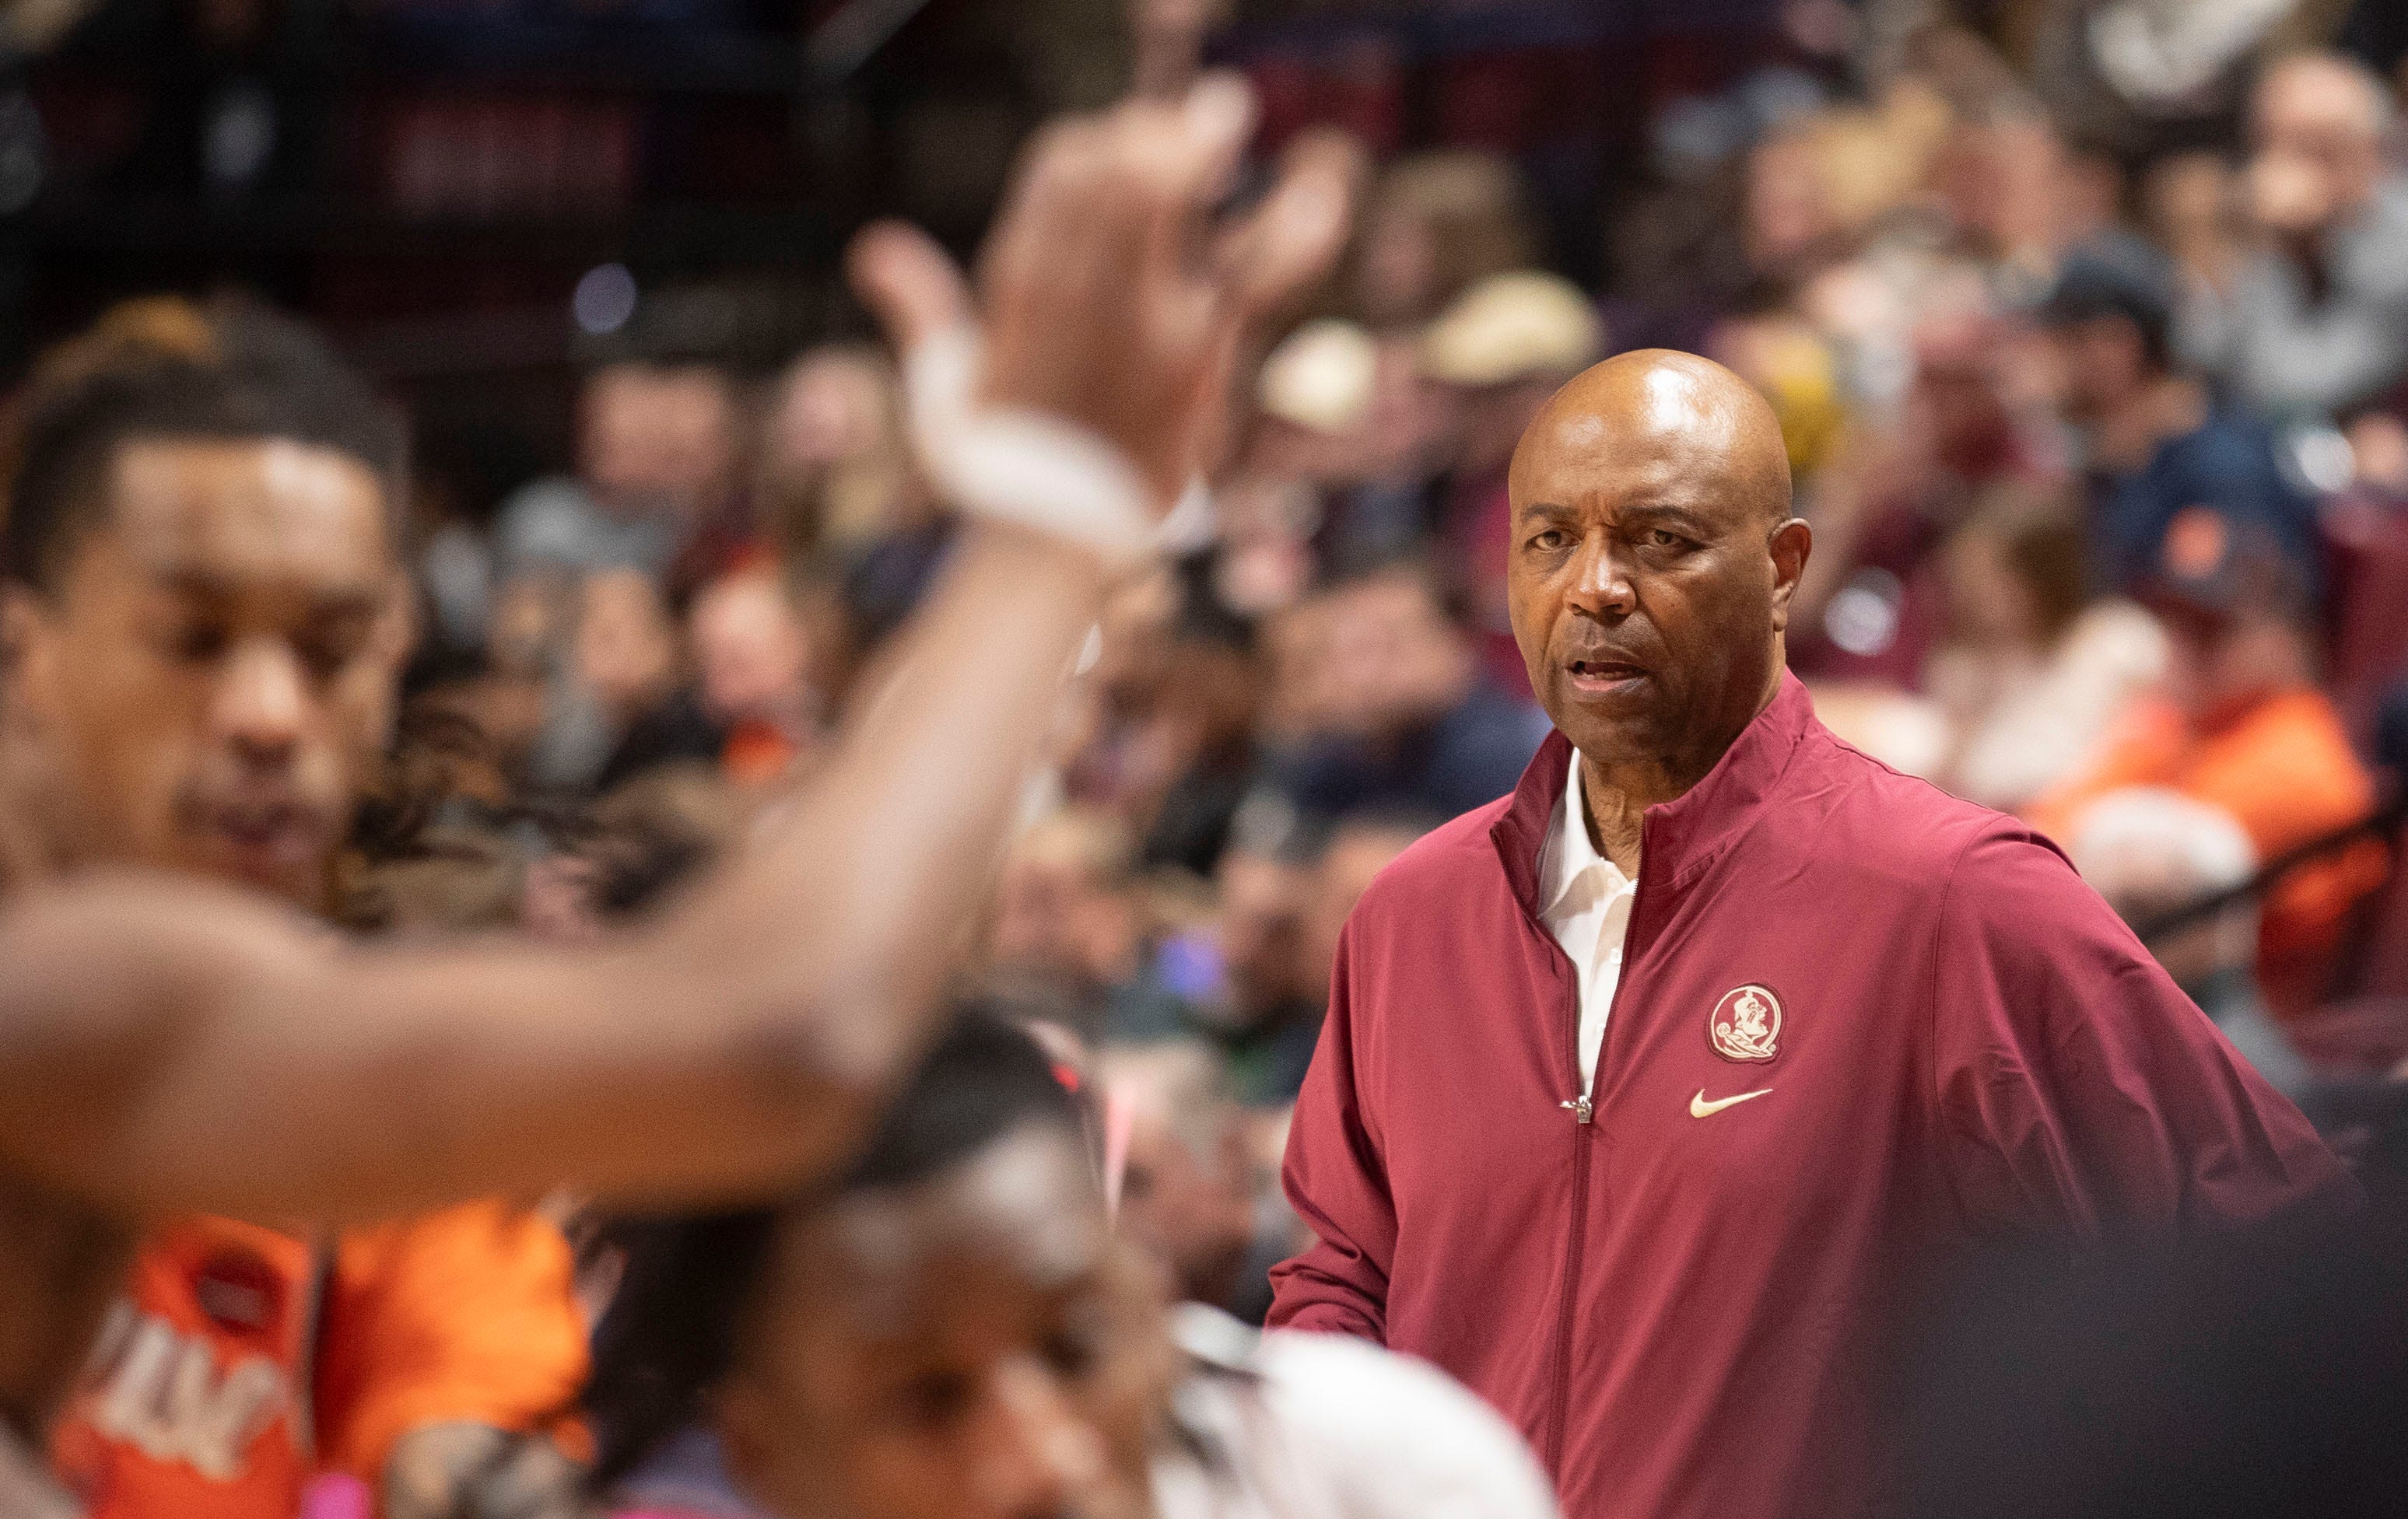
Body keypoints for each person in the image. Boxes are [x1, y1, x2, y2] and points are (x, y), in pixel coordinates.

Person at [0, 75, 1354, 1518]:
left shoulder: (246, 1040)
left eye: (331, 650)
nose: (271, 715)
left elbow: (469, 1451)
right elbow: (779, 1038)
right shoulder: (61, 987)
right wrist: (1057, 501)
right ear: (20, 650)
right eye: (194, 638)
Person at [1269, 349, 2349, 1519]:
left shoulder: (1954, 898)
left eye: (1659, 541)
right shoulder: (1411, 917)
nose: (1592, 588)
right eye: (1548, 542)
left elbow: (2290, 1265)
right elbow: (1339, 1278)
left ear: (1783, 570)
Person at [585, 1012, 1562, 1519]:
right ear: (765, 1455)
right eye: (929, 1399)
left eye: (1075, 1343)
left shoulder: (1365, 1455)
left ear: (1140, 1289)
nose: (1043, 1455)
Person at [2036, 246, 2322, 600]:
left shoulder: (2222, 465)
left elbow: (2255, 628)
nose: (2034, 364)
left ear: (2115, 346)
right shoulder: (2110, 457)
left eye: (2055, 342)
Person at [2181, 51, 2408, 424]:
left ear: (2370, 154)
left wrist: (2268, 248)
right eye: (2270, 146)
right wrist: (2222, 245)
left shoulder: (2397, 247)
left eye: (2314, 151)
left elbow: (2291, 389)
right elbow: (2196, 352)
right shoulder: (2275, 234)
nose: (2280, 172)